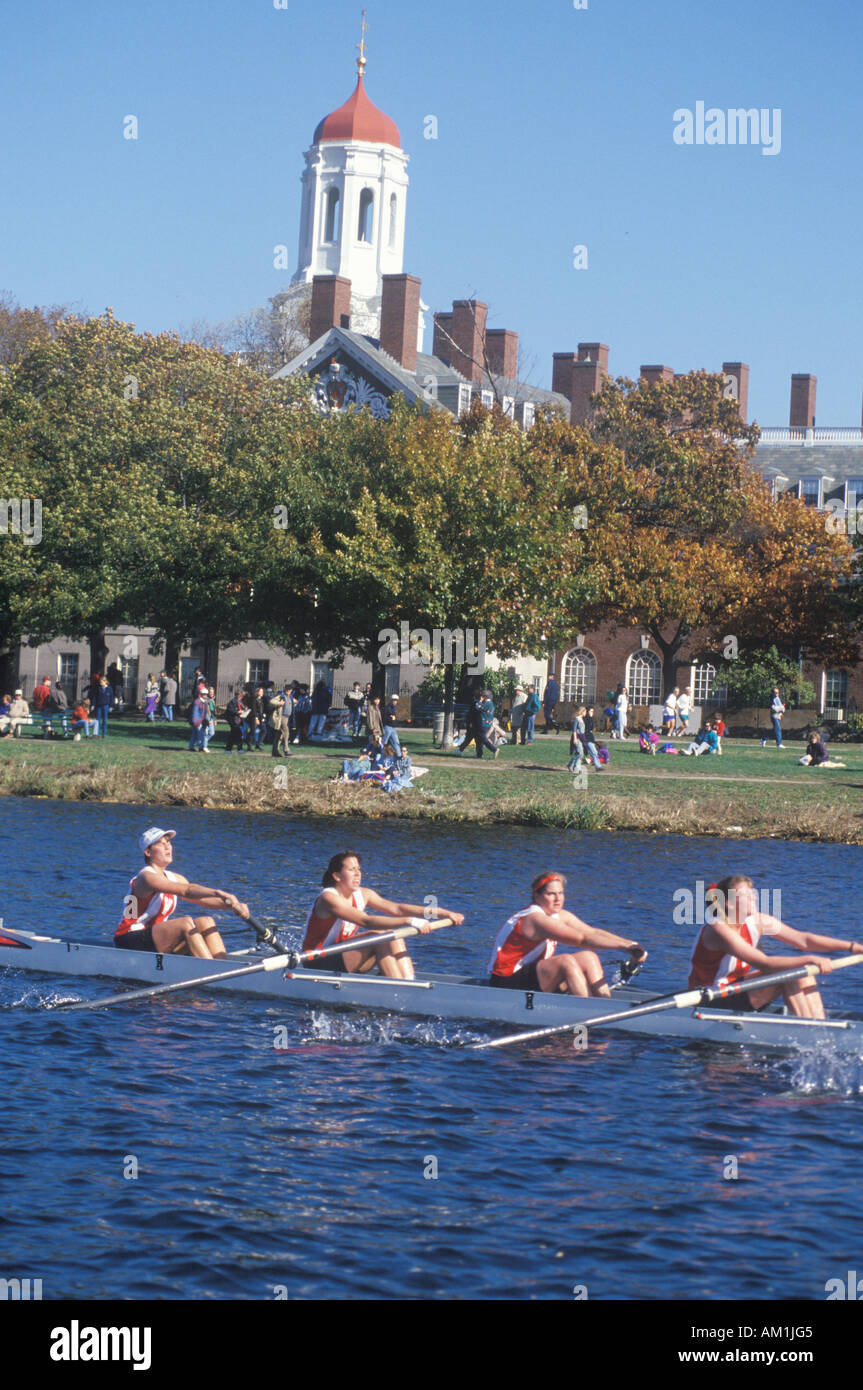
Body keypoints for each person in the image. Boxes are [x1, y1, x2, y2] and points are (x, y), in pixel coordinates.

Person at [688, 874, 863, 1018]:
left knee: (803, 970)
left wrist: (852, 947)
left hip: (734, 989)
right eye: (746, 895)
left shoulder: (758, 921)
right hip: (709, 999)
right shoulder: (719, 929)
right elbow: (764, 963)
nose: (754, 897)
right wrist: (811, 959)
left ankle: (820, 1023)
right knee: (790, 972)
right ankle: (810, 1031)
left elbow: (804, 940)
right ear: (729, 903)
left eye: (753, 893)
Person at [303, 850, 464, 980]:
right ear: (337, 876)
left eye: (359, 869)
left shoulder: (365, 894)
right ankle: (399, 990)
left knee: (394, 935)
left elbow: (398, 909)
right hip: (316, 963)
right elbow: (367, 921)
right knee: (381, 936)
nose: (358, 874)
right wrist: (410, 921)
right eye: (351, 870)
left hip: (343, 957)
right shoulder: (328, 899)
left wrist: (443, 912)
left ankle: (408, 981)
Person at [488, 871, 647, 994]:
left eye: (561, 893)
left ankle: (604, 1004)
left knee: (588, 957)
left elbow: (591, 932)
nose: (558, 899)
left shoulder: (560, 915)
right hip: (505, 983)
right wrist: (624, 947)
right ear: (536, 895)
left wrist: (631, 944)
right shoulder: (535, 919)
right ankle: (585, 1010)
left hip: (530, 976)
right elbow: (581, 939)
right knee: (565, 961)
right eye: (551, 894)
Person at [114, 827, 250, 957]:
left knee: (206, 921)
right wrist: (218, 892)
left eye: (168, 842)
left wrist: (233, 904)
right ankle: (211, 970)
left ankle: (222, 965)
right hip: (128, 939)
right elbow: (187, 891)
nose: (167, 846)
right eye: (160, 844)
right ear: (148, 852)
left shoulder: (175, 878)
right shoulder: (146, 877)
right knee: (185, 923)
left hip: (154, 939)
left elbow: (204, 901)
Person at [224, 688, 248, 753]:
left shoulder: (240, 702)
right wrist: (238, 712)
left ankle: (230, 749)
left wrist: (245, 709)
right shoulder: (232, 702)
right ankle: (232, 749)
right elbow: (230, 710)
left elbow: (244, 707)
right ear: (238, 695)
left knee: (235, 735)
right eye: (241, 696)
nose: (241, 697)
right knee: (236, 734)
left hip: (238, 720)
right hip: (233, 720)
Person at [187, 683, 208, 752]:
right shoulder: (197, 701)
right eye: (204, 694)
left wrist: (206, 720)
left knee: (194, 734)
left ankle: (191, 746)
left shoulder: (205, 702)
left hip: (201, 721)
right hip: (197, 721)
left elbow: (205, 712)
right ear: (201, 694)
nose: (205, 695)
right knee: (200, 734)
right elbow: (195, 712)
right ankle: (201, 747)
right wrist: (196, 722)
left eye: (206, 694)